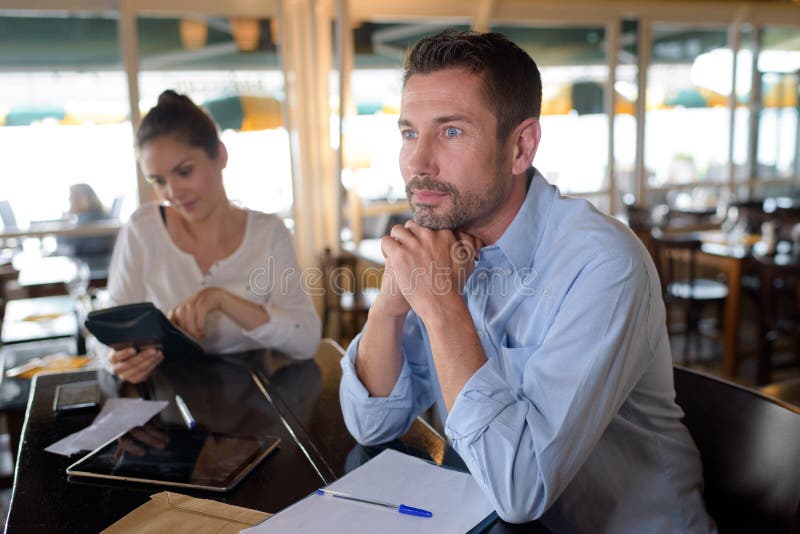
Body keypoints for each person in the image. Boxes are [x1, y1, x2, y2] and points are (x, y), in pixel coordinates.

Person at [338, 30, 716, 532]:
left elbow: (521, 489)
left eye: (451, 131)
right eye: (409, 134)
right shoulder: (444, 244)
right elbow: (372, 423)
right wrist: (390, 305)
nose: (418, 162)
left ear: (521, 147)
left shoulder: (603, 264)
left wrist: (442, 305)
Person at [107, 90, 320, 384]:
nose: (172, 192)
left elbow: (306, 340)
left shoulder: (270, 234)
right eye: (159, 180)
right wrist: (119, 362)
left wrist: (222, 299)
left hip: (254, 393)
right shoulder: (143, 229)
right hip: (166, 392)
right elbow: (111, 332)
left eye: (184, 172)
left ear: (220, 155)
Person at [56, 183, 116, 257]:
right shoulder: (96, 215)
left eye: (74, 196)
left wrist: (63, 222)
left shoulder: (91, 218)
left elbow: (69, 245)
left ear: (87, 198)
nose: (69, 199)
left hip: (90, 259)